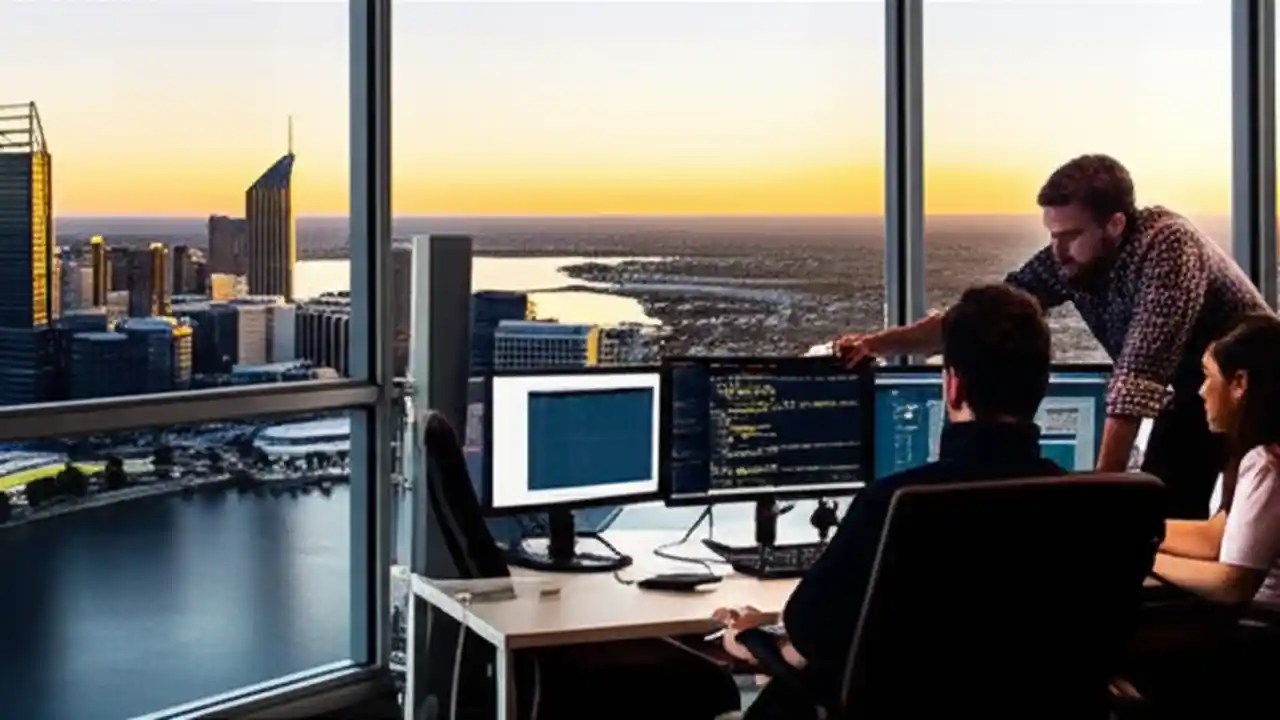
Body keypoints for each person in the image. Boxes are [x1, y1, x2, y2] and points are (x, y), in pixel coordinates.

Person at [837, 154, 1271, 519]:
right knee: (1156, 525)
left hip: (1261, 399)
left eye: (1071, 235)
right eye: (1052, 235)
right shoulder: (1071, 261)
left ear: (1115, 224)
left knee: (1211, 536)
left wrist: (1097, 508)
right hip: (1197, 395)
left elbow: (1137, 378)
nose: (1058, 249)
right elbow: (978, 322)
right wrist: (877, 344)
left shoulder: (1168, 248)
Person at [715, 283, 1065, 718]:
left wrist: (748, 636)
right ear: (1041, 386)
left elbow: (809, 637)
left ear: (953, 388)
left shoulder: (899, 503)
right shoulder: (1087, 509)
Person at [1153, 313, 1280, 607]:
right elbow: (1215, 537)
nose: (1202, 390)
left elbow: (1233, 585)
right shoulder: (1254, 457)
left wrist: (1136, 559)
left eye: (1209, 376)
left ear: (1239, 383)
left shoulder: (1265, 465)